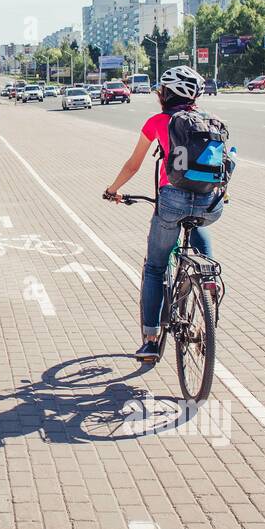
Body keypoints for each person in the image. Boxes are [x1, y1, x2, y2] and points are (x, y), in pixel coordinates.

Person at [102, 65, 224, 363]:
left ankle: (151, 341)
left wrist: (112, 189)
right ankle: (207, 292)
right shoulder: (210, 121)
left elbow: (134, 164)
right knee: (201, 249)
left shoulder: (157, 122)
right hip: (210, 203)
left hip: (172, 201)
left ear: (166, 95)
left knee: (155, 267)